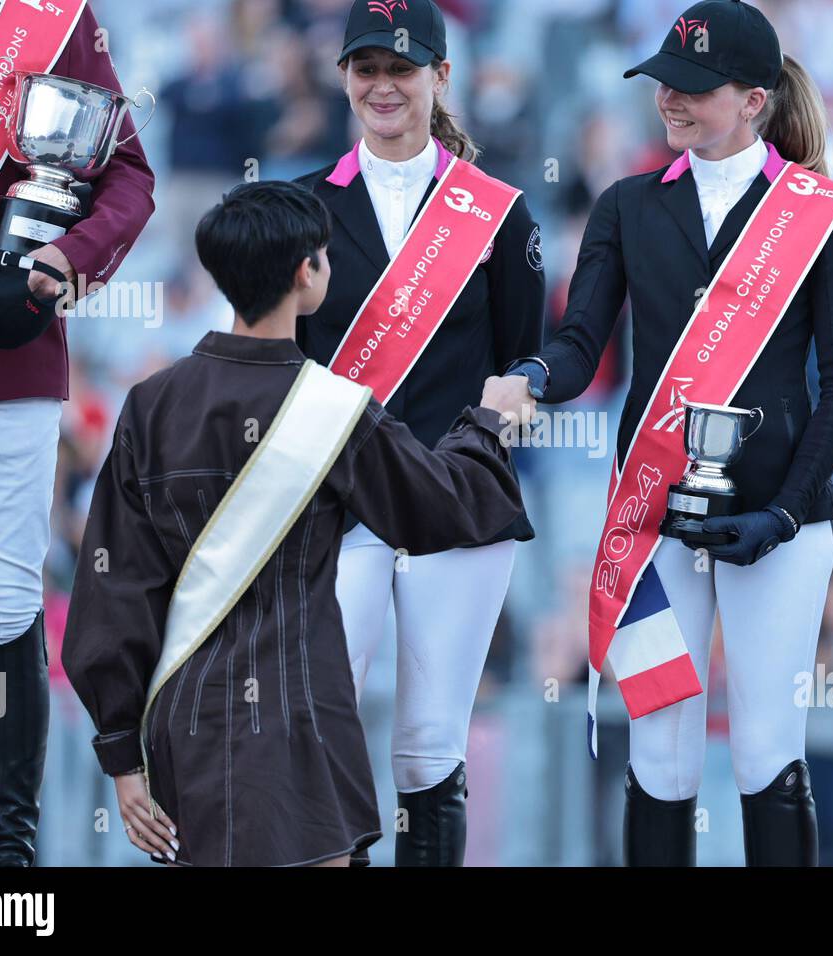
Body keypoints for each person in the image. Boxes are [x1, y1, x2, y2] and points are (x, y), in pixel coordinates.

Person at [494, 0, 833, 866]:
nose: (671, 100)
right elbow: (583, 341)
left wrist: (785, 512)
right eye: (665, 82)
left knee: (766, 751)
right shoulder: (626, 205)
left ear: (754, 100)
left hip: (782, 513)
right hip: (655, 507)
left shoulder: (823, 212)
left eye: (695, 88)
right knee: (659, 754)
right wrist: (537, 378)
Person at [61, 181, 529, 867]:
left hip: (182, 723)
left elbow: (112, 589)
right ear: (307, 272)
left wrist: (123, 762)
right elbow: (443, 507)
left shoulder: (150, 406)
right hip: (300, 720)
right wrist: (485, 424)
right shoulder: (333, 408)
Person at [0, 0, 155, 866]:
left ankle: (11, 860)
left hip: (13, 348)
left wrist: (69, 258)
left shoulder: (49, 14)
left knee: (9, 606)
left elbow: (128, 175)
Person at [292, 0, 544, 866]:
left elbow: (523, 365)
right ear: (344, 79)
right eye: (366, 68)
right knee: (320, 725)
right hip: (336, 505)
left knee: (430, 748)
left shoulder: (499, 213)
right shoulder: (299, 207)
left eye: (401, 68)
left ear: (441, 75)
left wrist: (467, 461)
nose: (383, 86)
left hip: (454, 508)